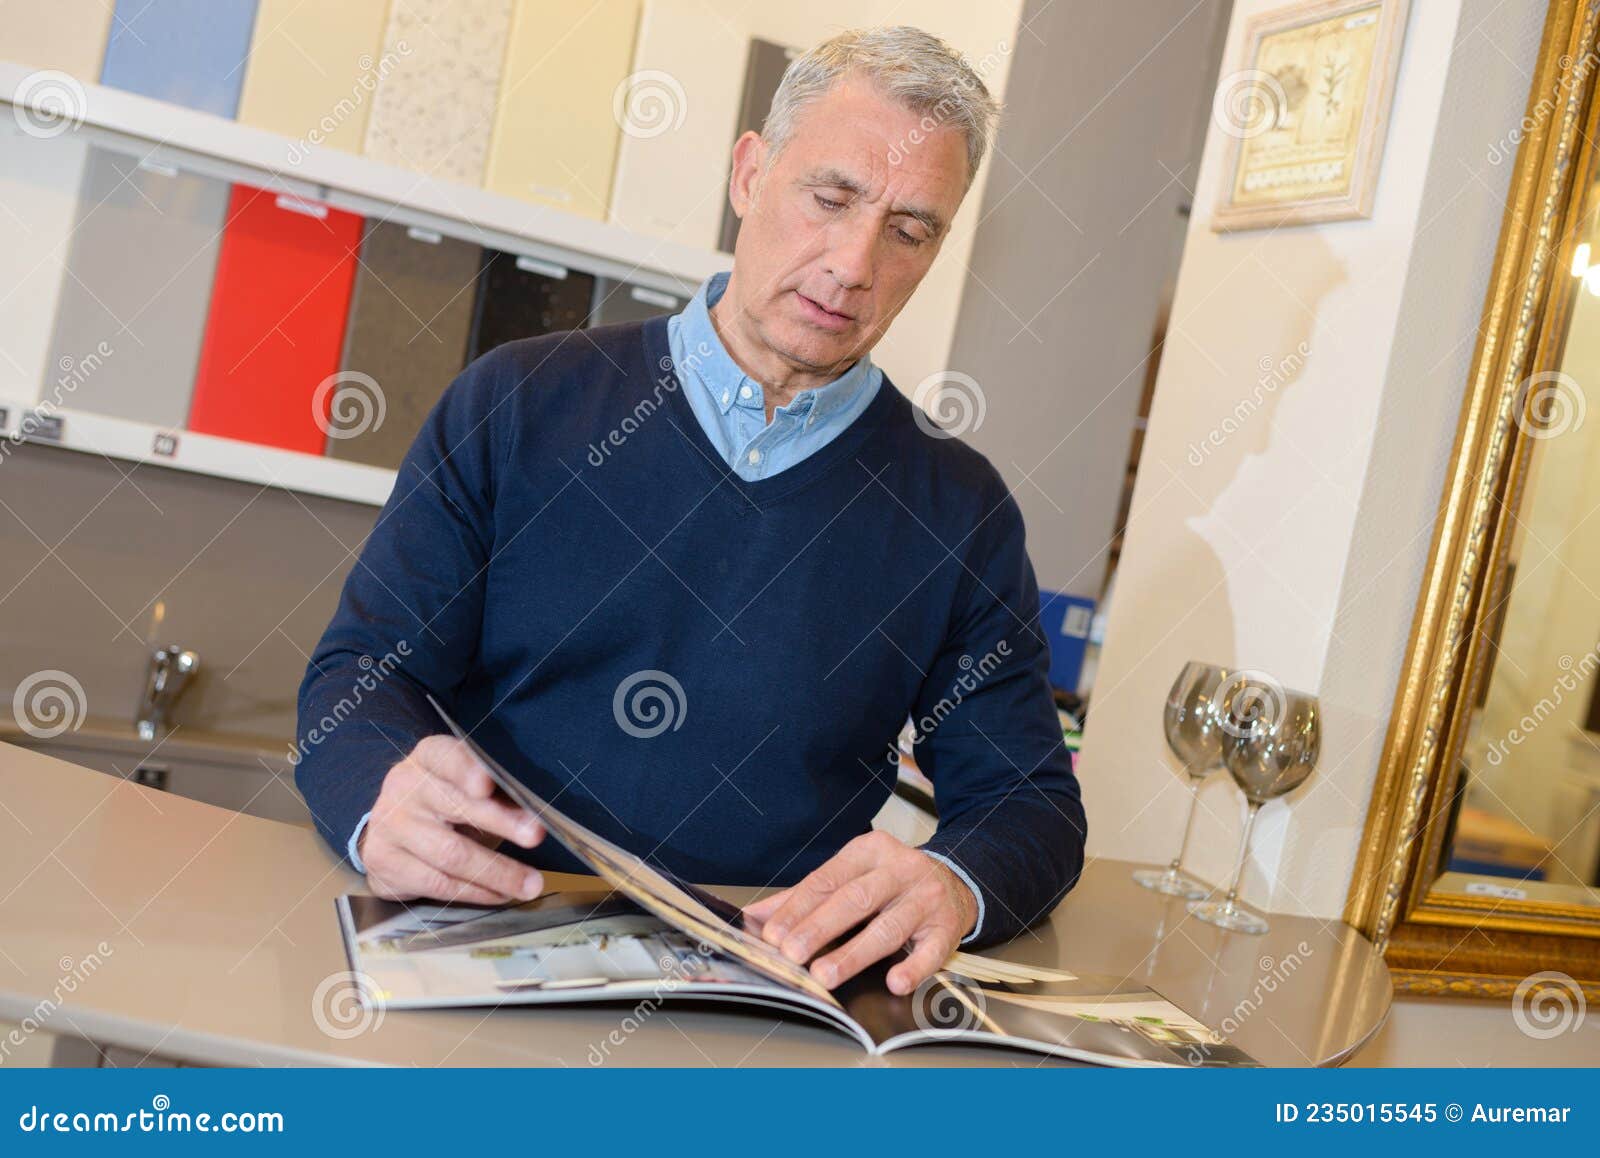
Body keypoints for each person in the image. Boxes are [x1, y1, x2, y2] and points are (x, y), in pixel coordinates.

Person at [296, 25, 1085, 998]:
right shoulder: (515, 404)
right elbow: (359, 681)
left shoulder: (958, 508)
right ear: (751, 174)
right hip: (489, 943)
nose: (852, 262)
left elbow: (1028, 800)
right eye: (829, 198)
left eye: (910, 229)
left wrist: (953, 884)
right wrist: (382, 803)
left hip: (762, 995)